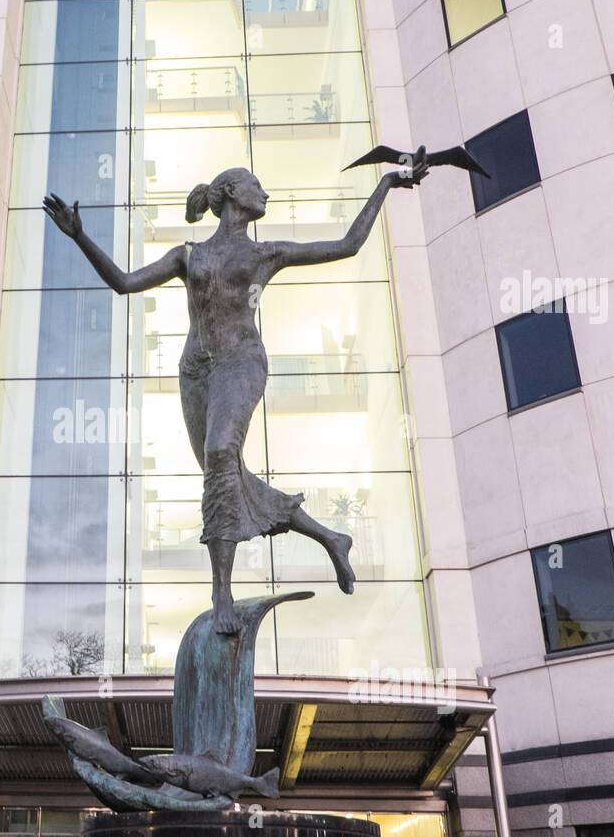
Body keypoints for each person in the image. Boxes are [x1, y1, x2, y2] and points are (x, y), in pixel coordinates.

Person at [42, 156, 428, 633]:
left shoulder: (267, 254)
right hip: (195, 372)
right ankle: (332, 538)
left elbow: (348, 245)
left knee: (221, 452)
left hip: (241, 363)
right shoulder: (188, 256)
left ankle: (221, 591)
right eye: (256, 185)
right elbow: (123, 283)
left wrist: (388, 181)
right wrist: (79, 236)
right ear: (231, 194)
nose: (265, 194)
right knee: (224, 475)